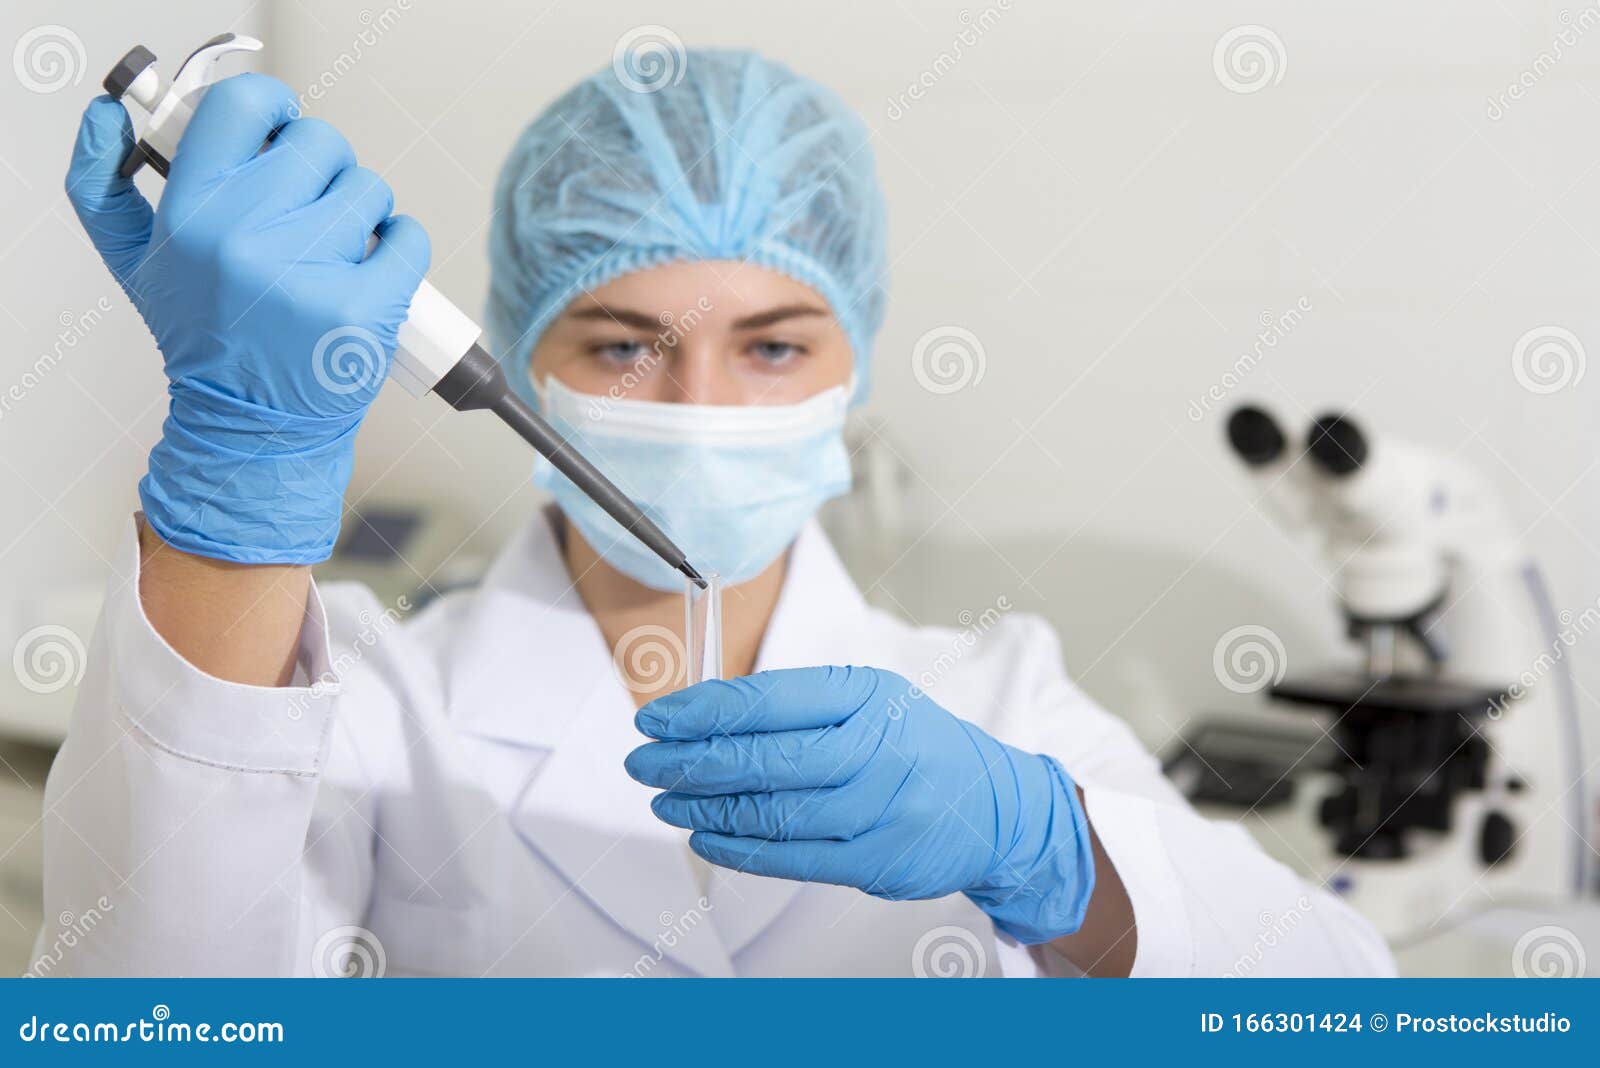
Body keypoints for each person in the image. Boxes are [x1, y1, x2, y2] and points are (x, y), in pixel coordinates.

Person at [43, 50, 1393, 977]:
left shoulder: (998, 708)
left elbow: (1346, 1013)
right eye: (624, 346)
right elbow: (143, 1023)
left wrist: (1058, 858)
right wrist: (235, 493)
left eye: (772, 348)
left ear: (854, 358)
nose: (697, 404)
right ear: (517, 355)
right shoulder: (371, 700)